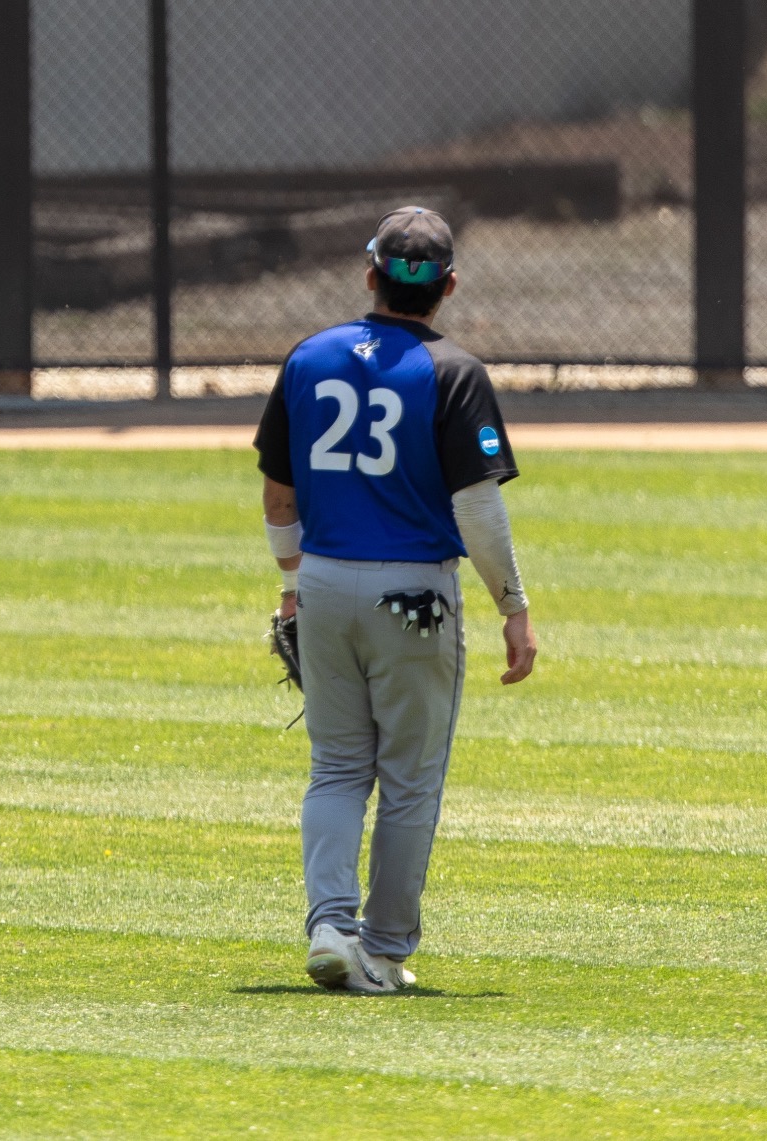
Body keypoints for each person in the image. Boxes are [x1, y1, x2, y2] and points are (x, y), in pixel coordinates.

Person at [252, 206, 538, 993]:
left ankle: (329, 924)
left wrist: (289, 587)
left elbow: (280, 494)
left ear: (370, 273)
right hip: (414, 594)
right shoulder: (454, 372)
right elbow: (477, 509)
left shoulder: (309, 357)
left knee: (338, 766)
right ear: (446, 286)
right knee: (410, 778)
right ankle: (379, 946)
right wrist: (513, 605)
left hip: (323, 584)